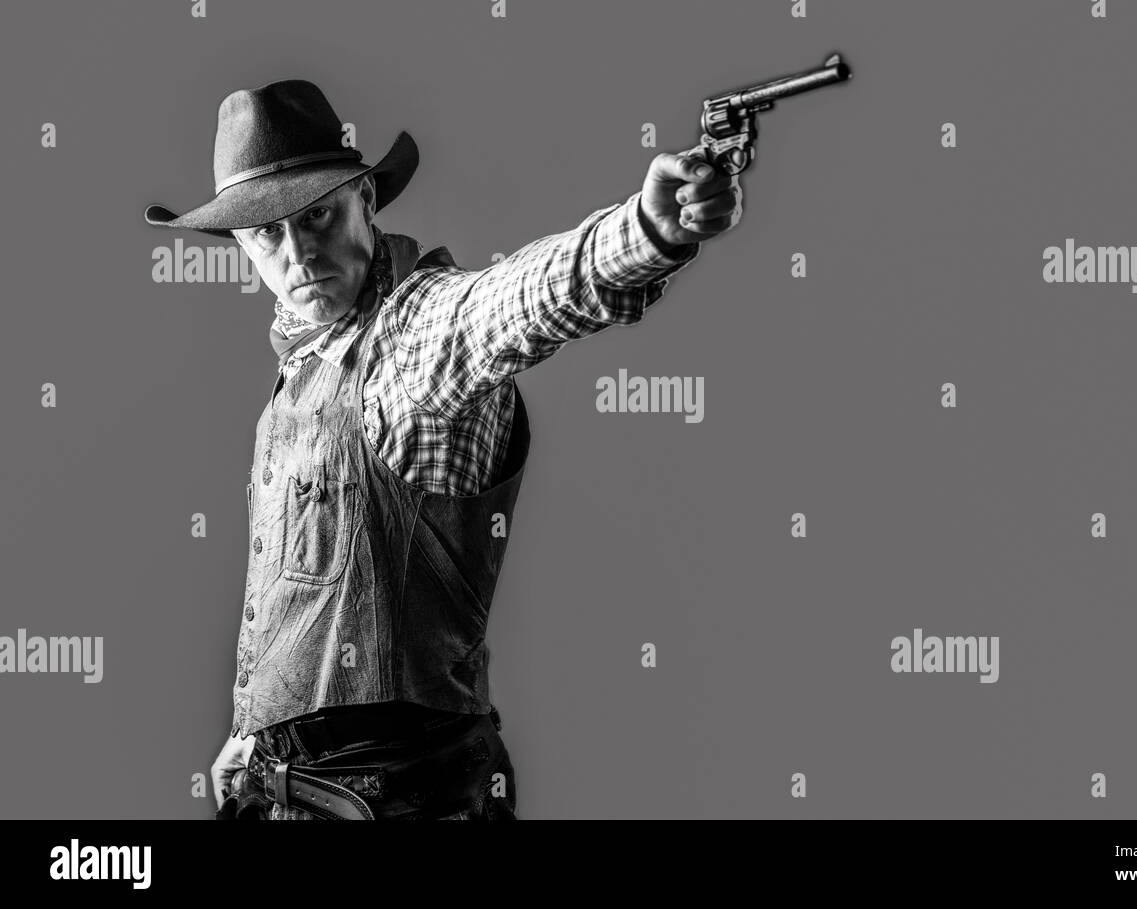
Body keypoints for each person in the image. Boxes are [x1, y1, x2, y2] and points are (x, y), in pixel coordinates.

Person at [143, 78, 741, 819]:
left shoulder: (412, 339)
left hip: (408, 799)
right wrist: (252, 730)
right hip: (291, 796)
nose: (297, 252)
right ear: (240, 243)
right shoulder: (298, 377)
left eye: (318, 215)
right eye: (267, 232)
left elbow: (513, 302)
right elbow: (298, 600)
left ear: (365, 199)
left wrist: (647, 231)